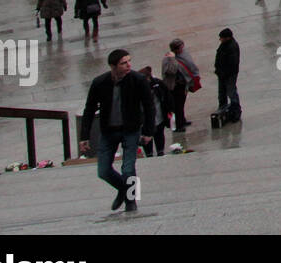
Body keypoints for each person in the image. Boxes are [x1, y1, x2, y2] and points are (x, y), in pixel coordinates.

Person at [78, 49, 156, 212]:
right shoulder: (100, 83)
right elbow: (89, 109)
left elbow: (149, 107)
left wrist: (148, 131)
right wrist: (84, 136)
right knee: (103, 171)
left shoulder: (138, 80)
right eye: (124, 63)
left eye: (129, 61)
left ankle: (131, 200)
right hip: (108, 130)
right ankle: (123, 190)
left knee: (128, 168)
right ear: (113, 66)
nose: (129, 65)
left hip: (131, 129)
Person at [162, 38, 200, 131]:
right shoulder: (168, 59)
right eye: (180, 47)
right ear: (176, 49)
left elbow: (190, 64)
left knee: (181, 104)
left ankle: (182, 120)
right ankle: (178, 125)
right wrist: (172, 59)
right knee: (177, 106)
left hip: (183, 84)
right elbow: (171, 71)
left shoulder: (183, 54)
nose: (182, 49)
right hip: (174, 86)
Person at [139, 66, 172, 156]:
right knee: (146, 135)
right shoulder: (137, 87)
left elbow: (167, 96)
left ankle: (160, 152)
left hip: (159, 115)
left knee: (159, 133)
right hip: (145, 118)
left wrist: (169, 109)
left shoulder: (157, 84)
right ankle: (149, 154)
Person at [214, 28, 241, 124]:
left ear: (227, 38)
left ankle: (235, 111)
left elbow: (232, 64)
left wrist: (224, 73)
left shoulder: (232, 47)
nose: (220, 40)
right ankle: (223, 110)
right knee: (222, 93)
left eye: (221, 38)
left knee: (231, 92)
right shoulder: (224, 45)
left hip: (229, 75)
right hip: (222, 74)